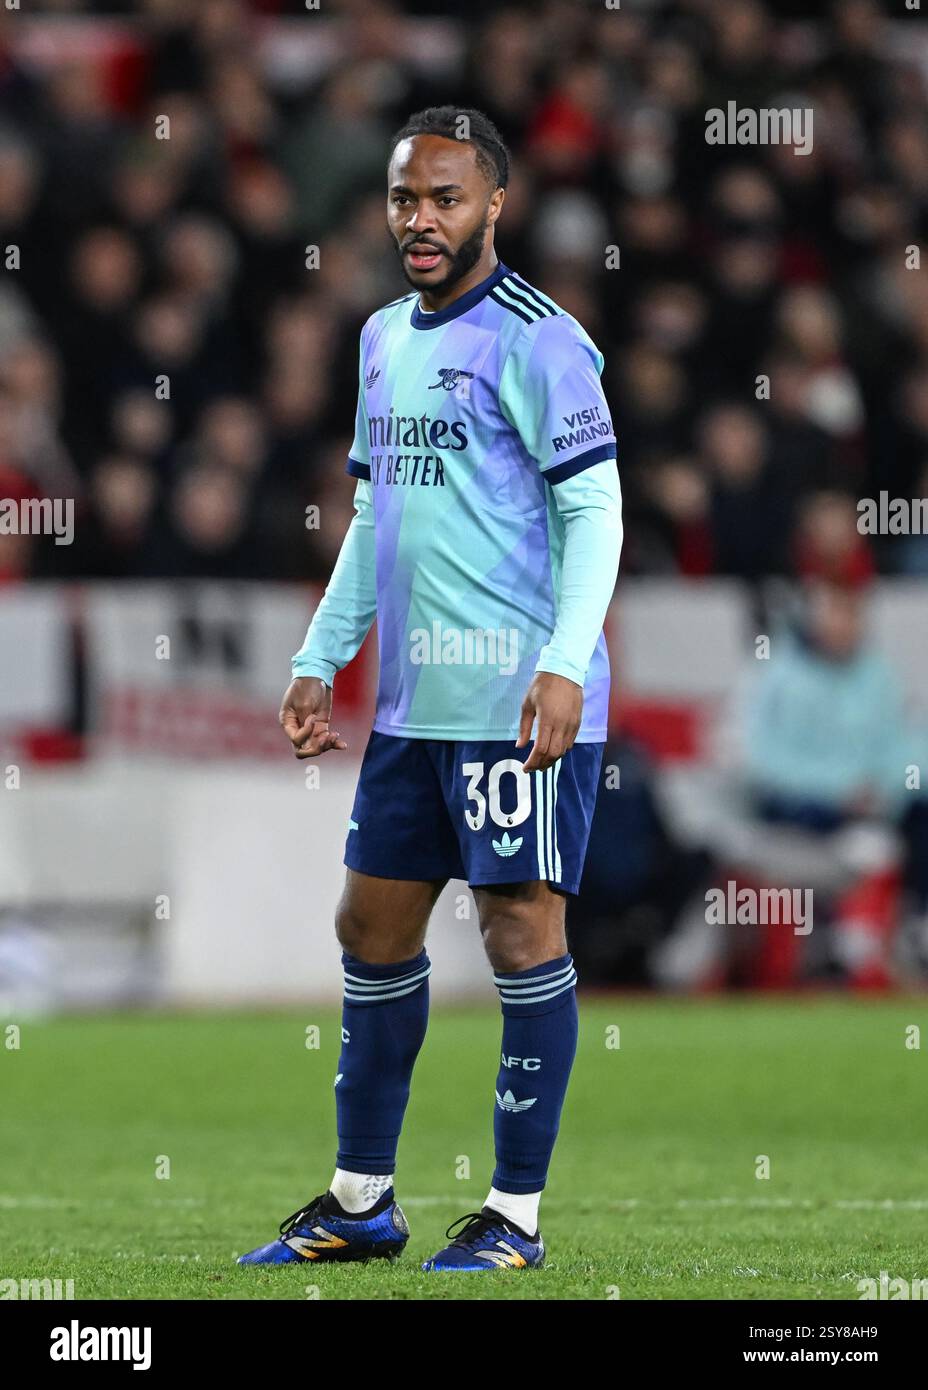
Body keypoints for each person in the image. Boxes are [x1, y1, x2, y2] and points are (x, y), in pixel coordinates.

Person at [238, 107, 622, 1273]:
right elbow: (373, 520)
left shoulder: (541, 338)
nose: (420, 218)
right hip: (411, 710)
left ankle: (513, 1218)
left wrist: (563, 663)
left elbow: (594, 511)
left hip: (516, 704)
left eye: (445, 198)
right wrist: (321, 654)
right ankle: (363, 1203)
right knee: (370, 923)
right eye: (406, 196)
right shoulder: (378, 338)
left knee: (519, 930)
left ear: (493, 205)